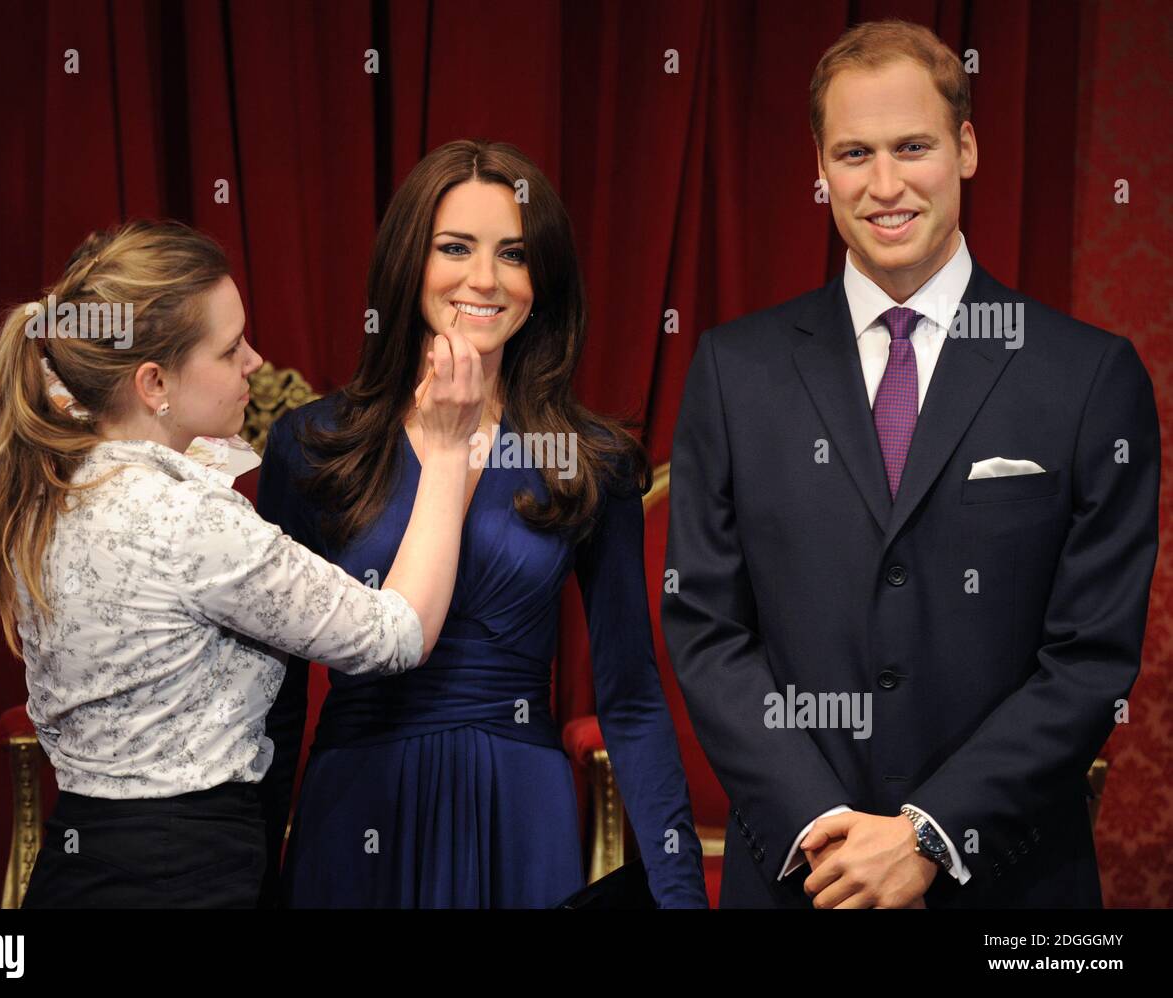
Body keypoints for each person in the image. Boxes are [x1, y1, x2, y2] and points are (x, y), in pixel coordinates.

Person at [662, 19, 1159, 908]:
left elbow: (1088, 659)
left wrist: (932, 835)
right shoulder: (734, 372)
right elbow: (706, 631)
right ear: (819, 168)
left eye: (913, 147)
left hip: (1013, 890)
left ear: (966, 148)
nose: (884, 185)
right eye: (854, 153)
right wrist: (826, 830)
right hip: (797, 879)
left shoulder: (1087, 377)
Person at [0, 218, 483, 907]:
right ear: (153, 381)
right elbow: (396, 635)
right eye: (229, 347)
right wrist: (449, 452)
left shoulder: (50, 488)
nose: (254, 361)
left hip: (79, 866)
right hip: (186, 879)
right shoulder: (191, 521)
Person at [257, 140, 708, 908]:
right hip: (356, 807)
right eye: (455, 248)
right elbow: (274, 694)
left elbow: (629, 696)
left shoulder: (587, 459)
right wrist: (250, 880)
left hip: (518, 812)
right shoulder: (311, 443)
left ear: (543, 279)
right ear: (408, 260)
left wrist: (679, 893)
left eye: (515, 254)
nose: (484, 280)